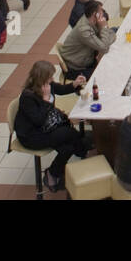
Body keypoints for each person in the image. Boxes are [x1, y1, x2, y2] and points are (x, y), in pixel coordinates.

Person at [14, 60, 88, 193]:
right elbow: (38, 120)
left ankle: (52, 173)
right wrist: (46, 100)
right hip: (32, 135)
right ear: (41, 78)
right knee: (69, 132)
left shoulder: (46, 84)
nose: (52, 80)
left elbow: (61, 89)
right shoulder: (27, 97)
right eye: (50, 77)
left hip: (46, 127)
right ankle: (83, 151)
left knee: (68, 147)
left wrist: (75, 84)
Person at [59, 0, 116, 80]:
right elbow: (104, 47)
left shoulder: (91, 21)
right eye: (101, 12)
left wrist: (104, 30)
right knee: (105, 74)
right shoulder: (84, 30)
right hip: (75, 68)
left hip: (86, 58)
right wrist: (104, 27)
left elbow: (113, 36)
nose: (103, 14)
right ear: (94, 14)